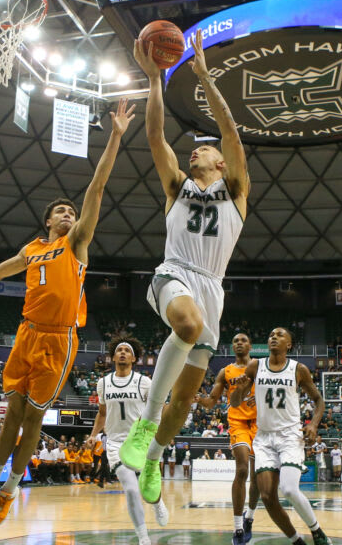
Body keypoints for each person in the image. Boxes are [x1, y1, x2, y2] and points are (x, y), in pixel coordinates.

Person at [0, 99, 135, 529]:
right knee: (11, 416)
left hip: (58, 337)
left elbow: (96, 190)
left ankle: (9, 491)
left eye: (72, 212)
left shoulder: (77, 243)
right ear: (48, 220)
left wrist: (115, 137)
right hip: (26, 333)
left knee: (33, 418)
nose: (69, 214)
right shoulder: (32, 249)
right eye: (62, 211)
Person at [119, 27, 249, 509]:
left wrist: (205, 78)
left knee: (187, 400)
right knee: (188, 327)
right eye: (194, 148)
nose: (196, 150)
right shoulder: (177, 186)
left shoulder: (235, 192)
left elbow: (231, 133)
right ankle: (146, 421)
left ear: (221, 163)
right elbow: (155, 135)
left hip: (212, 289)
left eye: (205, 149)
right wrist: (154, 78)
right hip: (174, 272)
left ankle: (153, 456)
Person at [230, 328, 332, 545]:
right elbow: (235, 403)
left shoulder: (298, 369)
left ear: (289, 344)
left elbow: (318, 400)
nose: (274, 337)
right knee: (267, 496)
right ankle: (296, 540)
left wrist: (313, 424)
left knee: (288, 489)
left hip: (290, 436)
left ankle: (317, 532)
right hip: (264, 438)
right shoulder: (255, 366)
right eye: (271, 335)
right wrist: (239, 390)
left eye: (280, 335)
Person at [88, 338, 168, 545]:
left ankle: (157, 502)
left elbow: (159, 408)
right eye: (119, 350)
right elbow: (102, 413)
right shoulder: (103, 383)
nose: (122, 353)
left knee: (148, 485)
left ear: (134, 358)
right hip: (115, 444)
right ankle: (143, 538)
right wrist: (93, 435)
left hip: (141, 441)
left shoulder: (144, 382)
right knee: (131, 489)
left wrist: (162, 430)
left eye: (127, 350)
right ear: (113, 357)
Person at [196, 332, 260, 543]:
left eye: (243, 340)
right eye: (236, 341)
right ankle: (238, 527)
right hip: (238, 422)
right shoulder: (226, 372)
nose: (239, 343)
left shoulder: (260, 367)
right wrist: (198, 399)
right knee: (242, 470)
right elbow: (211, 402)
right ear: (232, 347)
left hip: (260, 423)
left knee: (257, 476)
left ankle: (250, 517)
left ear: (250, 345)